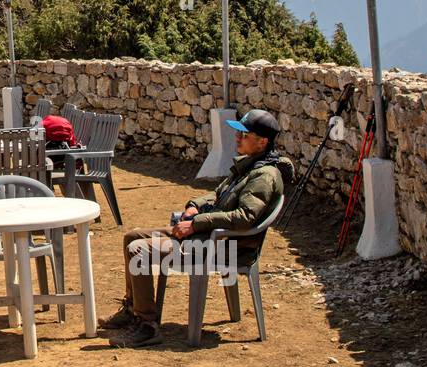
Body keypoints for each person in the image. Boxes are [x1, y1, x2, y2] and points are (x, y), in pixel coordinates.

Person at [105, 109, 294, 348]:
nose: (237, 138)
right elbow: (218, 195)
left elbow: (245, 217)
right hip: (209, 237)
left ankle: (146, 325)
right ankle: (133, 309)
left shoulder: (264, 175)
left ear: (262, 141)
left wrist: (196, 224)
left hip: (223, 246)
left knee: (138, 249)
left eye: (244, 134)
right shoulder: (250, 165)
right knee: (132, 236)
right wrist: (194, 206)